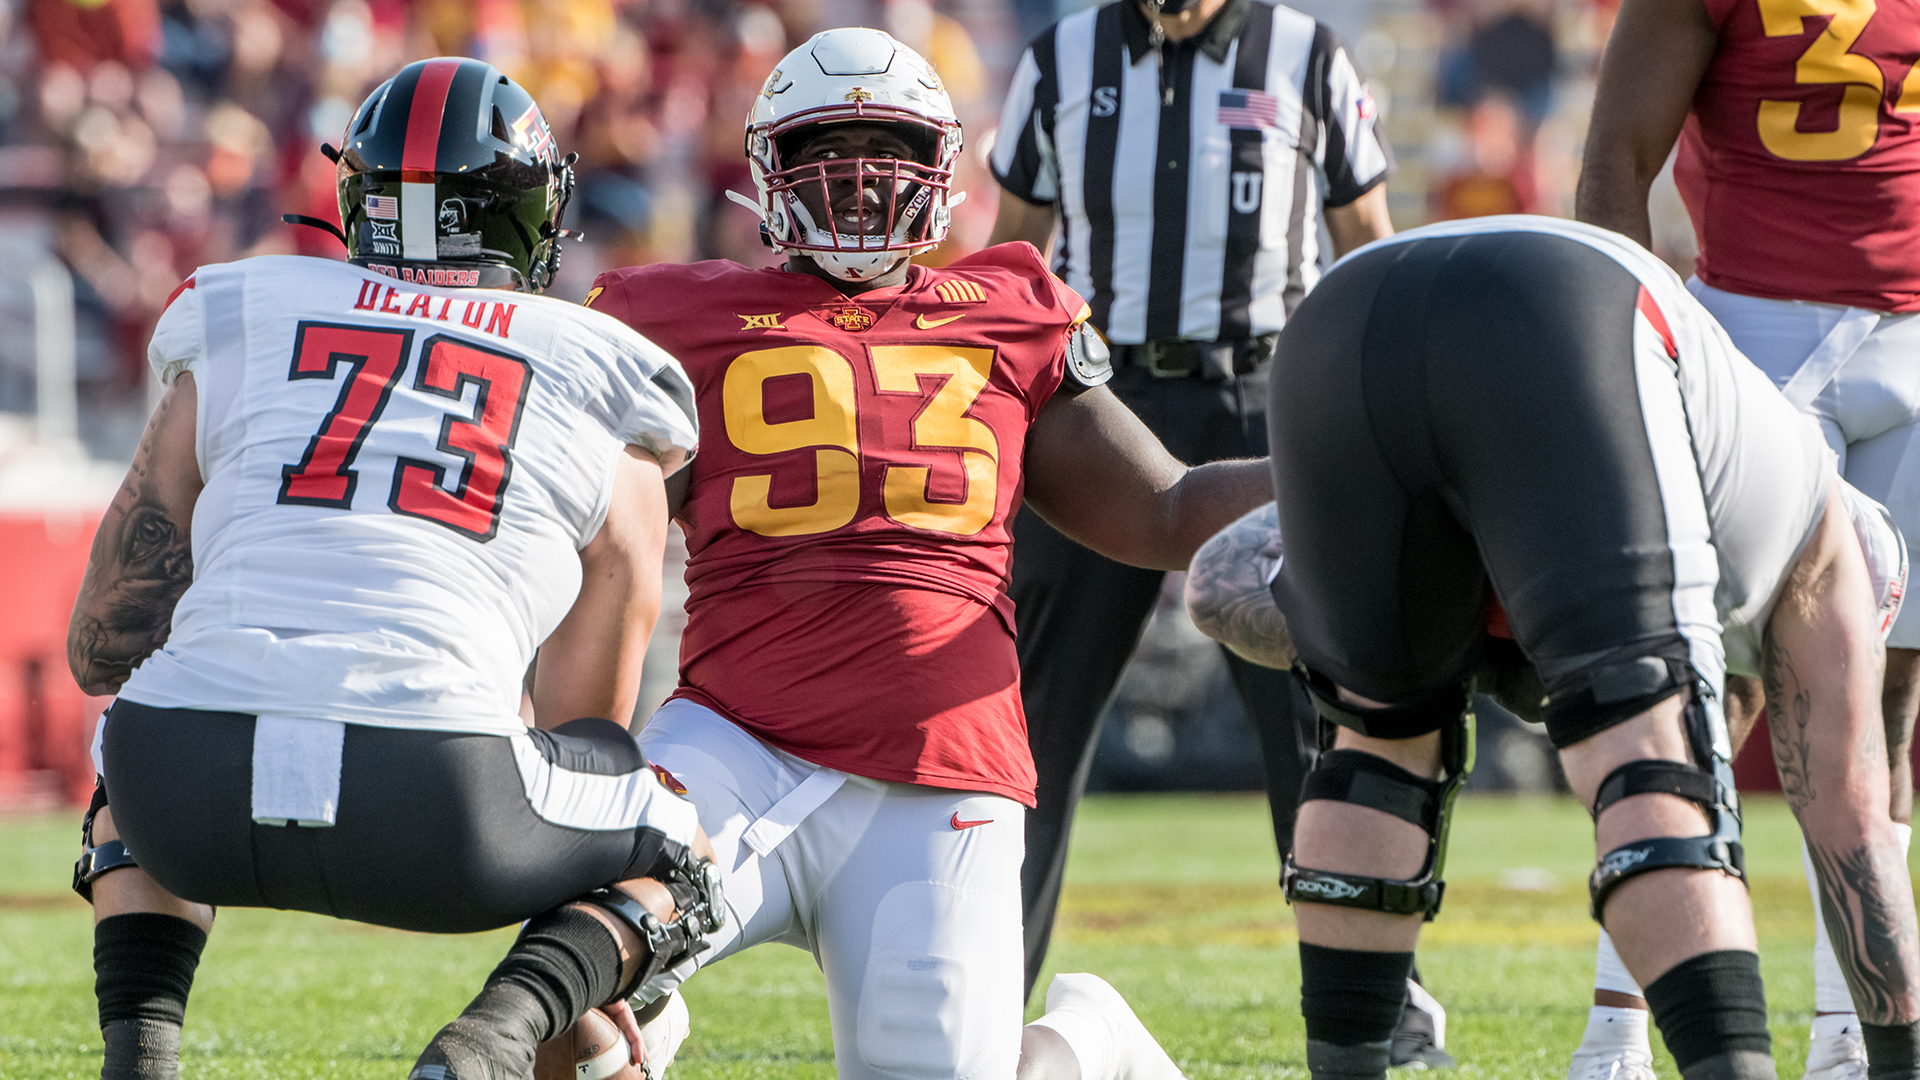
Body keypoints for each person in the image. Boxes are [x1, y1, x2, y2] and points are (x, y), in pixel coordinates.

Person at [583, 27, 1274, 1080]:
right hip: (733, 744)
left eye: (888, 147)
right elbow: (594, 518)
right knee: (568, 995)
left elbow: (1167, 509)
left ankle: (1087, 1048)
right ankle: (632, 1033)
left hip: (940, 768)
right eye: (827, 148)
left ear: (943, 168)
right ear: (768, 169)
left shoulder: (1005, 308)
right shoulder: (673, 317)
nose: (859, 180)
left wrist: (1354, 471)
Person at [65, 57, 722, 1080]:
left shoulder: (247, 306)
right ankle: (494, 1038)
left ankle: (142, 1053)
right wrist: (571, 992)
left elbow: (101, 642)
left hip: (182, 793)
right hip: (441, 809)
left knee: (125, 733)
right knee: (682, 848)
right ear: (529, 211)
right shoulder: (603, 371)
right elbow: (583, 727)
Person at [1184, 213, 1920, 1080]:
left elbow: (1216, 588)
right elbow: (1856, 831)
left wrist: (1421, 651)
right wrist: (1901, 1062)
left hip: (1342, 317)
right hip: (1570, 309)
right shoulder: (1829, 553)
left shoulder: (1734, 474)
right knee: (1652, 757)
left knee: (1376, 737)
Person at [982, 0, 1431, 1056]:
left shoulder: (1305, 56)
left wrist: (1381, 405)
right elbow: (1010, 262)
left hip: (1263, 398)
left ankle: (1371, 997)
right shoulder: (1061, 62)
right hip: (1094, 406)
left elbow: (1370, 250)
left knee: (1310, 716)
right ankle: (985, 985)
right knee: (1034, 719)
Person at [1576, 1, 1920, 1075]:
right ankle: (1619, 1025)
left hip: (1914, 333)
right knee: (1704, 691)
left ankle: (1844, 1034)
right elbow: (1613, 165)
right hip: (1756, 331)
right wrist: (1644, 362)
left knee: (1890, 696)